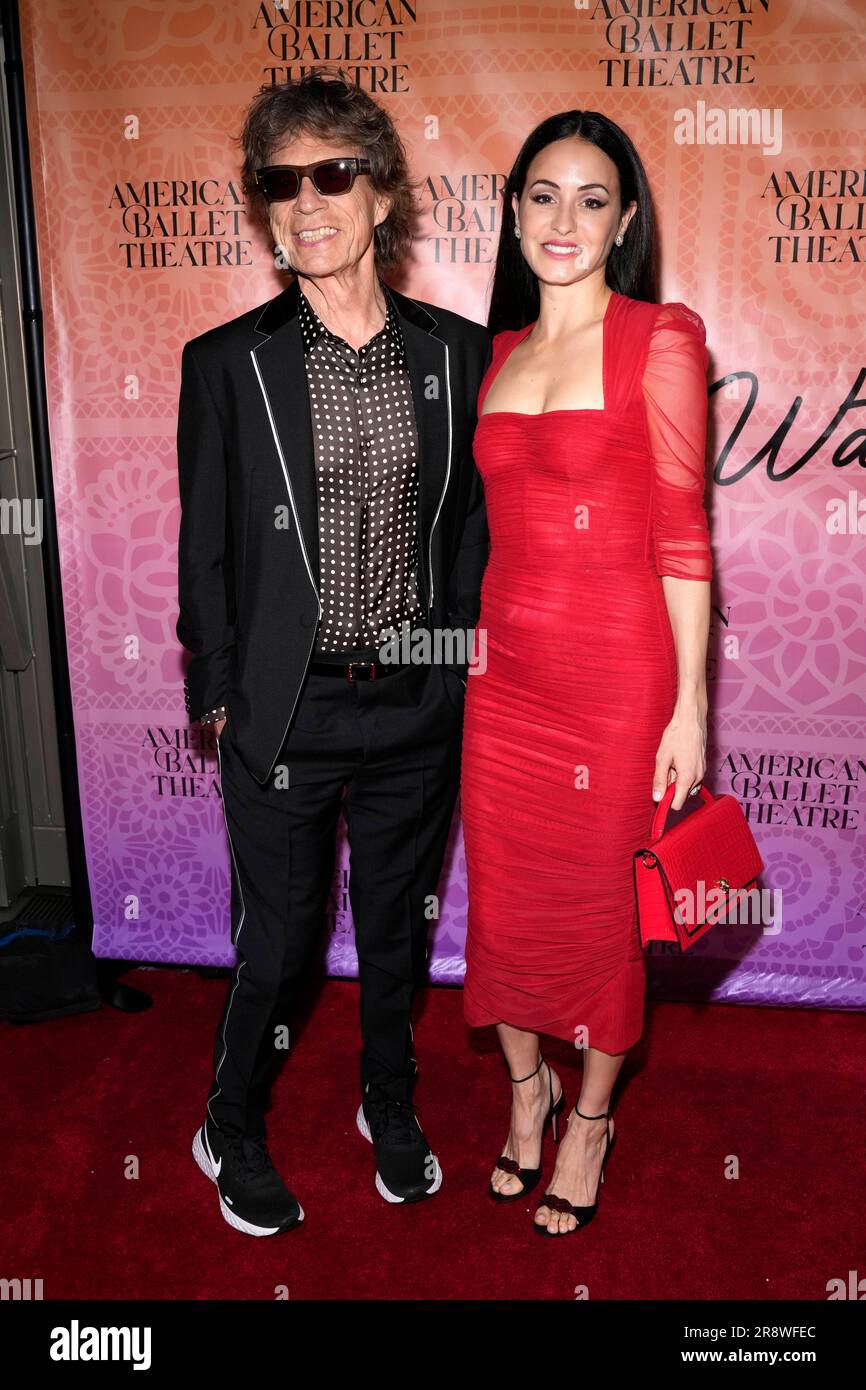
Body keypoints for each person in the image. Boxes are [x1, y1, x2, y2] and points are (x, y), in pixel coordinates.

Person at [176, 69, 490, 1236]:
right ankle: (231, 1119)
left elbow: (468, 537)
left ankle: (388, 1100)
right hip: (286, 711)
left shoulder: (457, 355)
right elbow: (202, 543)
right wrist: (218, 691)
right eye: (278, 182)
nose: (305, 201)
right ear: (261, 210)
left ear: (382, 195)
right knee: (284, 942)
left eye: (332, 174)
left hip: (415, 704)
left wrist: (457, 673)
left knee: (397, 929)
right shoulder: (228, 363)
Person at [460, 110, 713, 1236]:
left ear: (622, 222)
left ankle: (591, 1119)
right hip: (502, 677)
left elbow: (681, 535)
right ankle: (526, 1095)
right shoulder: (498, 353)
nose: (564, 219)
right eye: (543, 196)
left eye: (591, 198)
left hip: (615, 683)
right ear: (513, 216)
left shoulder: (659, 337)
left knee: (602, 914)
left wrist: (690, 705)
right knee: (505, 907)